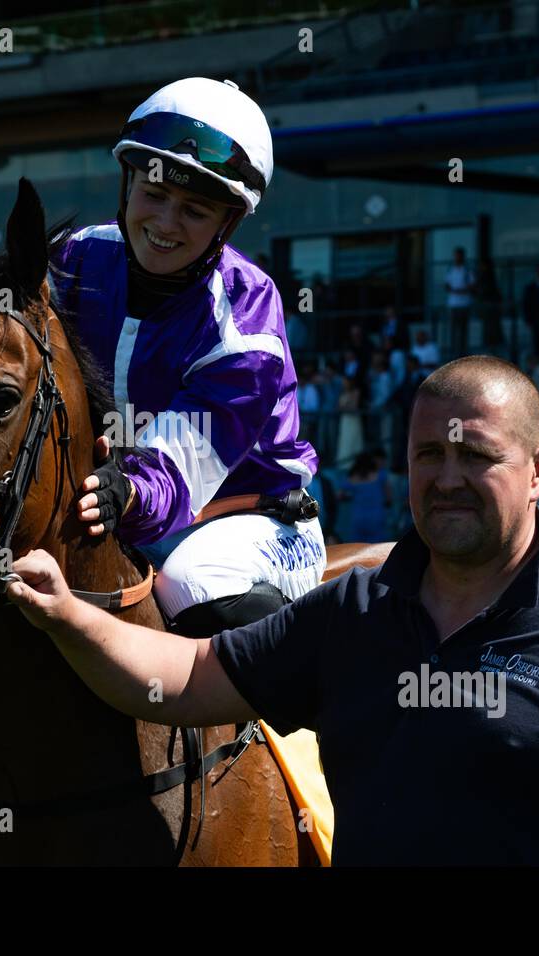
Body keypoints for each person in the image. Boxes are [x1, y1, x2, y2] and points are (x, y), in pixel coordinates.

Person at [6, 355, 539, 865]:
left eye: (475, 456)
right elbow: (188, 676)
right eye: (427, 456)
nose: (447, 480)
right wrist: (68, 614)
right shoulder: (354, 610)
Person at [52, 77, 325, 633]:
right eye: (154, 194)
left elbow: (180, 466)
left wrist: (125, 489)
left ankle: (281, 717)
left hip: (255, 518)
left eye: (195, 210)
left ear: (228, 223)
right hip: (121, 499)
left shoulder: (246, 322)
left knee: (192, 583)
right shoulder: (75, 260)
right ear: (127, 184)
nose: (165, 224)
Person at [443, 247, 475, 358]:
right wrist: (454, 290)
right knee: (453, 330)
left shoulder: (467, 270)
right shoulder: (450, 269)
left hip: (464, 304)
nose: (457, 258)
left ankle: (463, 352)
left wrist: (461, 291)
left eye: (459, 255)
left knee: (463, 330)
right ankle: (454, 352)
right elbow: (446, 285)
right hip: (453, 304)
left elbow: (472, 285)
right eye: (456, 255)